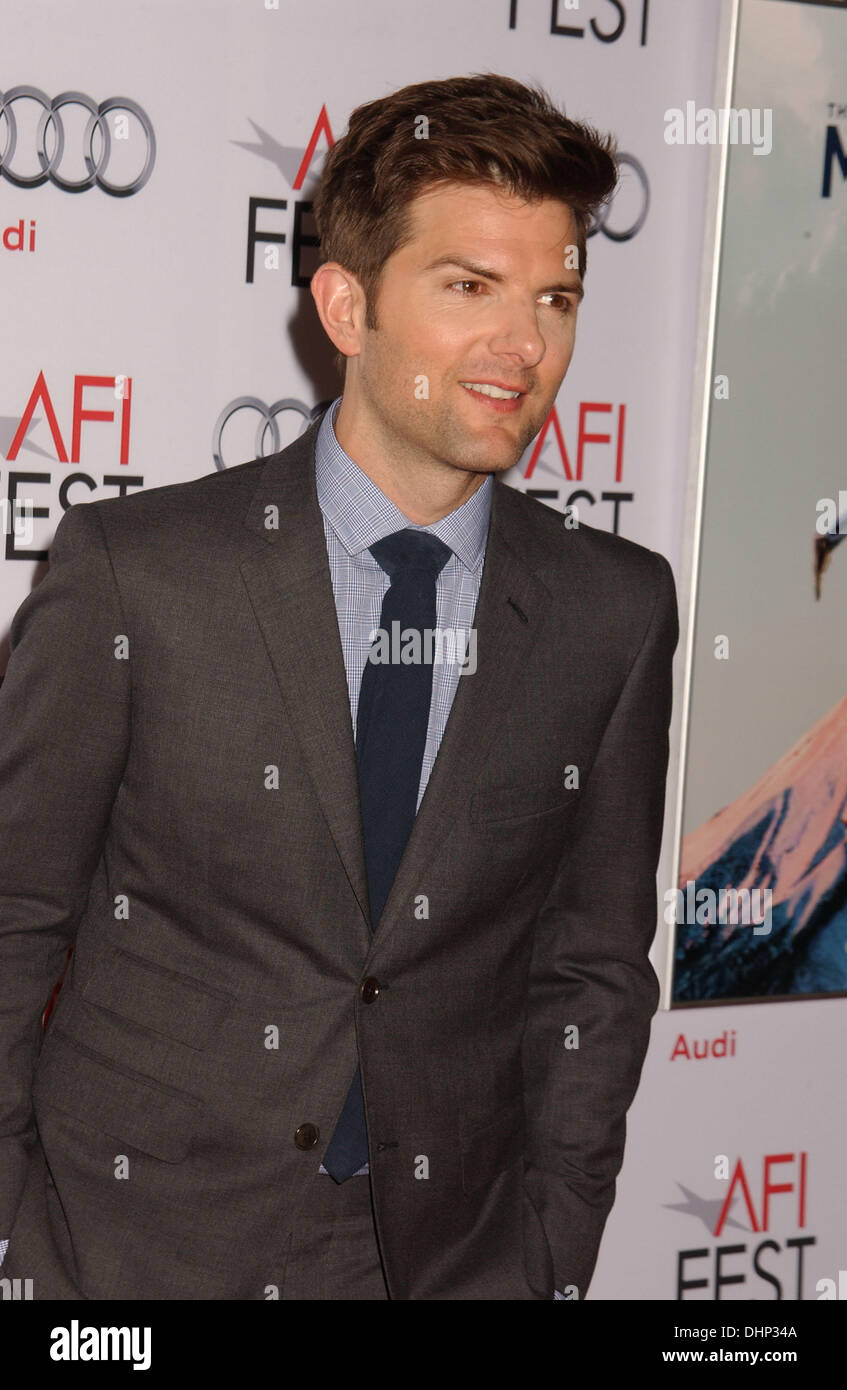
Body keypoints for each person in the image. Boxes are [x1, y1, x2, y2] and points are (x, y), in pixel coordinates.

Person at [0, 71, 678, 1300]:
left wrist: (549, 1249)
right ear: (346, 305)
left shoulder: (610, 611)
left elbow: (591, 965)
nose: (523, 345)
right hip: (132, 1257)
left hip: (447, 1260)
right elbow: (12, 916)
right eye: (470, 287)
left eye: (555, 297)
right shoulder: (137, 579)